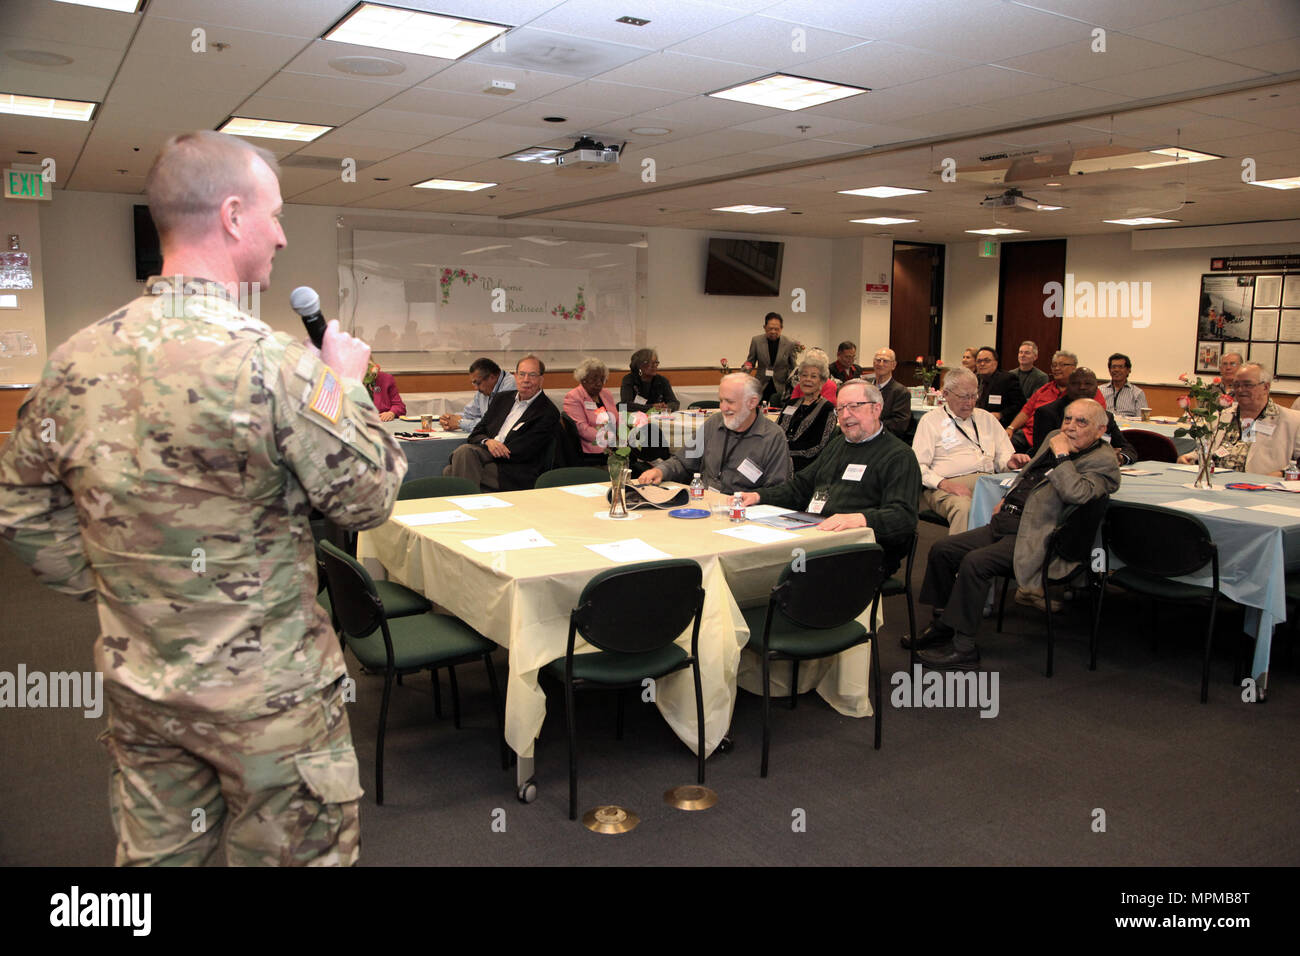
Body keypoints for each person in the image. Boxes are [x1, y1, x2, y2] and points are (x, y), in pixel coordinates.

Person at [0, 130, 407, 866]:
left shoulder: (73, 359)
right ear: (232, 217)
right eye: (275, 215)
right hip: (272, 704)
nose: (282, 236)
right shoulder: (280, 366)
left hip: (145, 688)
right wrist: (343, 386)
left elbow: (20, 506)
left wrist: (124, 587)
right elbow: (369, 497)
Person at [908, 399, 1120, 669]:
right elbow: (1029, 474)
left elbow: (1075, 493)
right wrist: (1007, 497)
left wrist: (1063, 457)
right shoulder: (1056, 437)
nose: (1070, 427)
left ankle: (964, 648)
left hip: (1038, 536)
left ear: (1100, 430)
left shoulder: (1103, 462)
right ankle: (943, 624)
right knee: (943, 550)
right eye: (1067, 419)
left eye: (1081, 422)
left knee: (975, 563)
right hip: (1009, 521)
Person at [739, 379, 921, 575]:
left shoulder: (898, 456)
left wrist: (861, 519)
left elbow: (903, 517)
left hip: (860, 551)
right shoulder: (838, 445)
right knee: (750, 556)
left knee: (777, 571)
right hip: (816, 535)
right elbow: (801, 488)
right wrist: (758, 496)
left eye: (853, 407)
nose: (845, 415)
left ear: (876, 409)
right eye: (840, 409)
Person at [913, 368, 1027, 534]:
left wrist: (1009, 463)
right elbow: (918, 466)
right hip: (945, 485)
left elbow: (1004, 457)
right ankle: (960, 557)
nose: (970, 402)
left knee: (1018, 505)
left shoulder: (986, 418)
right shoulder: (931, 421)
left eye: (974, 395)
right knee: (964, 508)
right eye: (964, 396)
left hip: (988, 482)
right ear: (946, 394)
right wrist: (946, 484)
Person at [640, 372, 791, 492]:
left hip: (743, 514)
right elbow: (683, 462)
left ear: (752, 402)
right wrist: (661, 471)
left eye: (730, 402)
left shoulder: (772, 437)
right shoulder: (714, 423)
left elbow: (778, 492)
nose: (723, 408)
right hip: (705, 504)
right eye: (721, 401)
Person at [444, 355, 560, 491]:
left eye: (532, 375)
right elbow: (477, 432)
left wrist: (493, 447)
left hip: (514, 469)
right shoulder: (502, 399)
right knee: (463, 458)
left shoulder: (547, 411)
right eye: (522, 374)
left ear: (541, 379)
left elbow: (524, 451)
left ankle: (464, 505)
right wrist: (488, 442)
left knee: (454, 468)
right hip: (488, 454)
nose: (526, 380)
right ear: (515, 376)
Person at [1178, 363, 1300, 476]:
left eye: (1248, 385)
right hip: (1216, 480)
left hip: (1259, 486)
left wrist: (1282, 474)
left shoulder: (1292, 420)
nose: (1240, 390)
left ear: (1266, 387)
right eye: (1236, 385)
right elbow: (1206, 448)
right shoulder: (1221, 416)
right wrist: (1190, 457)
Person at [1004, 350, 1104, 452]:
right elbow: (1026, 411)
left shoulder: (1085, 392)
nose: (1056, 368)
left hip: (1060, 438)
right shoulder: (1044, 389)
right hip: (1028, 435)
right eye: (1054, 365)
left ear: (1074, 367)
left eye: (1061, 365)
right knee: (1001, 445)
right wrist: (1011, 428)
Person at [1033, 368, 1138, 465]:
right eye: (1076, 383)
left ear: (1096, 388)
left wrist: (1120, 458)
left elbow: (1127, 449)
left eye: (1088, 384)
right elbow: (1044, 455)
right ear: (1067, 387)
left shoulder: (1105, 416)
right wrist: (1098, 457)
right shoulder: (1047, 413)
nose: (1082, 387)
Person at [778, 349, 838, 472]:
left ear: (822, 381)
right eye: (804, 375)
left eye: (813, 376)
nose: (807, 379)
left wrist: (784, 451)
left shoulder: (827, 409)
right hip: (778, 456)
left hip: (805, 464)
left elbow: (817, 446)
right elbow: (776, 430)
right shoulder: (791, 403)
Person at [563, 357, 620, 468]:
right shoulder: (573, 397)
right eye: (594, 379)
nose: (599, 383)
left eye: (602, 379)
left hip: (614, 446)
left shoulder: (606, 393)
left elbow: (616, 419)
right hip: (593, 452)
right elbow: (582, 429)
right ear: (583, 378)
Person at [439, 357, 515, 431]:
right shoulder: (484, 390)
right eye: (473, 383)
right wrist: (449, 419)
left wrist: (460, 423)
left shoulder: (511, 386)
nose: (476, 388)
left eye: (478, 383)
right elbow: (471, 414)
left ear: (492, 377)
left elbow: (495, 423)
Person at [745, 312, 800, 404]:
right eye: (770, 328)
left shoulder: (789, 343)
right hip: (761, 384)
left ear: (781, 328)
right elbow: (750, 362)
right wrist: (743, 374)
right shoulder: (756, 341)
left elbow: (793, 366)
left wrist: (793, 385)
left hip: (780, 386)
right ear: (765, 327)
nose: (773, 331)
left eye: (776, 329)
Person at [973, 346, 1025, 425]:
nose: (982, 364)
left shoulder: (1007, 379)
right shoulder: (973, 379)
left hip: (997, 424)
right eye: (979, 361)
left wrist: (1001, 414)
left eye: (987, 361)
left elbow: (1019, 405)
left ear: (995, 363)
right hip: (975, 420)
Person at [871, 347, 913, 437]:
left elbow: (899, 425)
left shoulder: (901, 392)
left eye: (885, 361)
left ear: (893, 365)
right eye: (878, 360)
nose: (881, 364)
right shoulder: (865, 388)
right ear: (873, 363)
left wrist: (870, 425)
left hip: (885, 439)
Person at [1100, 353, 1148, 418]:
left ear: (1128, 370)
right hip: (1105, 426)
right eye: (1113, 367)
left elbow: (1142, 419)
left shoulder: (1137, 393)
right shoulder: (1100, 390)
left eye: (1120, 367)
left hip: (1128, 426)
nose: (1116, 370)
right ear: (1109, 370)